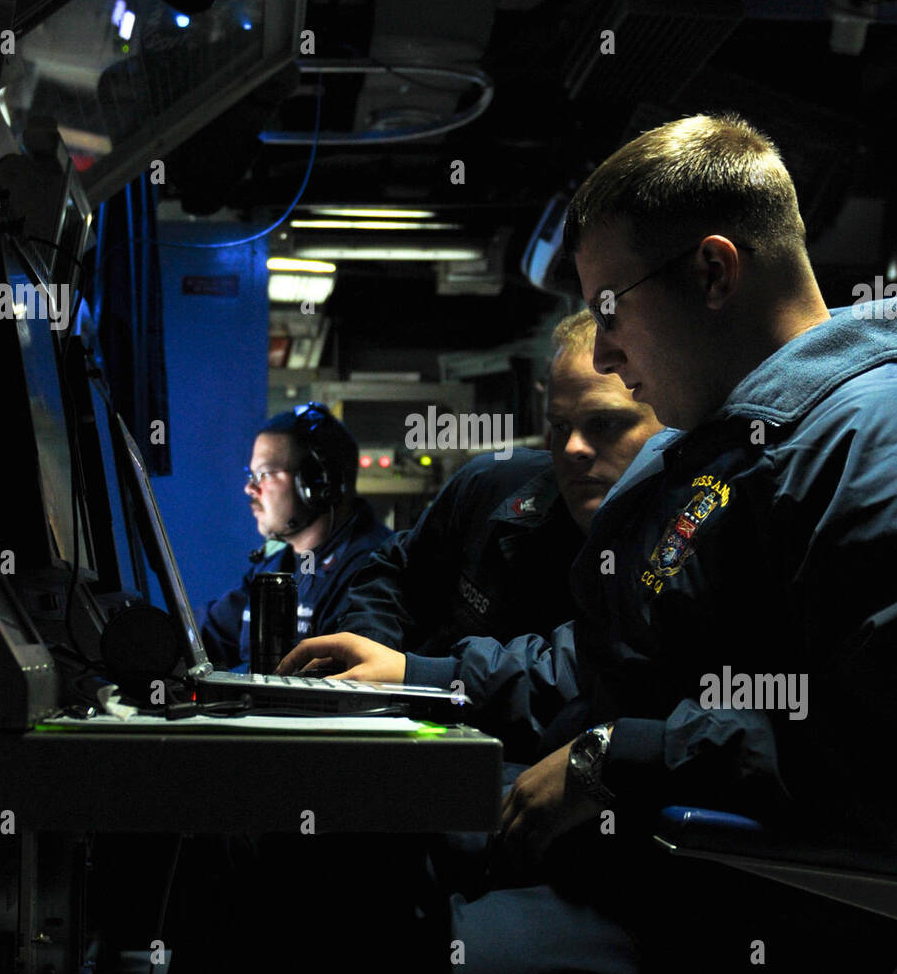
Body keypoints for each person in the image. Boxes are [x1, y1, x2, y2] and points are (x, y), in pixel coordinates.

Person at [444, 110, 897, 974]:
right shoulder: (698, 448)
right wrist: (417, 676)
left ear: (712, 272)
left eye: (610, 307)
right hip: (653, 850)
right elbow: (616, 655)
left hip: (764, 920)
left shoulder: (881, 443)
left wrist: (617, 758)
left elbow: (883, 753)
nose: (604, 350)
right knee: (355, 842)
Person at [279, 311, 662, 758]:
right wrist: (370, 659)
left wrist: (409, 675)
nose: (574, 447)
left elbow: (580, 676)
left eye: (606, 423)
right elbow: (395, 574)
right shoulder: (493, 486)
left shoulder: (679, 547)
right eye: (560, 427)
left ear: (669, 427)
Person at [195, 403, 390, 669]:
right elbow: (207, 636)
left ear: (318, 482)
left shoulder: (373, 573)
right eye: (251, 475)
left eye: (264, 474)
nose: (250, 488)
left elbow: (333, 688)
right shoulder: (279, 566)